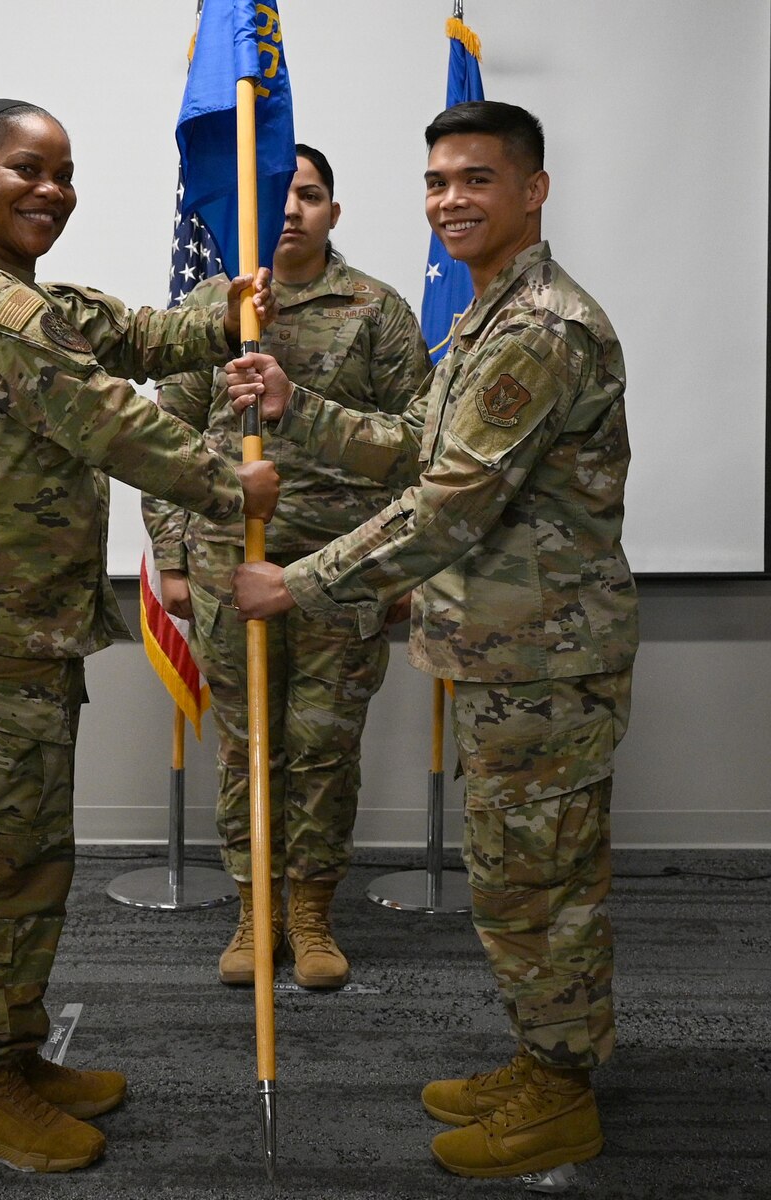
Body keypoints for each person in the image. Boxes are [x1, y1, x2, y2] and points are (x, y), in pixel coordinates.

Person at [227, 102, 638, 1179]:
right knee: (517, 875)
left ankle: (560, 1096)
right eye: (436, 181)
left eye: (476, 179)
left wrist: (300, 582)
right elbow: (420, 443)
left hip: (545, 662)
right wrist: (297, 406)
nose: (450, 199)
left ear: (533, 189)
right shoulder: (486, 313)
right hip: (512, 655)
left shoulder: (540, 328)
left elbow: (449, 505)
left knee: (537, 885)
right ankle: (542, 1058)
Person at [0, 98, 279, 1174]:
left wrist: (230, 307)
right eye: (27, 168)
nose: (52, 189)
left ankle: (16, 1053)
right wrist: (225, 479)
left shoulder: (32, 299)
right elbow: (103, 410)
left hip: (24, 625)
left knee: (34, 856)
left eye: (65, 172)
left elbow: (143, 338)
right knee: (1, 863)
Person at [142, 145, 430, 989]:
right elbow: (168, 444)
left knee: (324, 746)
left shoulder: (377, 310)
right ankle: (252, 911)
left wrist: (402, 565)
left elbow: (418, 446)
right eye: (279, 194)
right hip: (232, 559)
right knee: (247, 747)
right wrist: (173, 561)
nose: (294, 208)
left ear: (334, 211)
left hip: (343, 565)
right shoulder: (212, 308)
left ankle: (310, 914)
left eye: (310, 194)